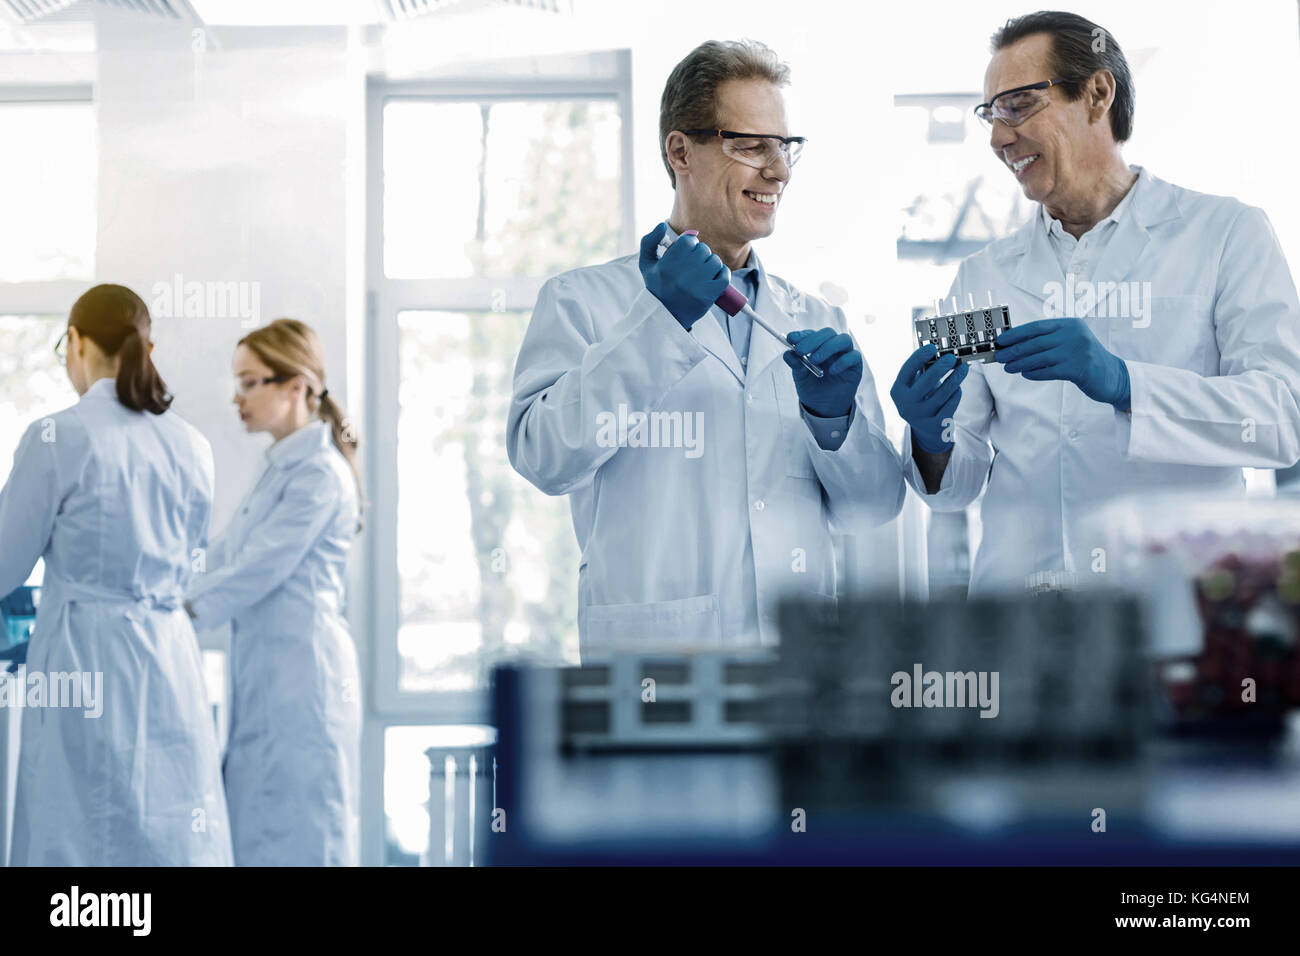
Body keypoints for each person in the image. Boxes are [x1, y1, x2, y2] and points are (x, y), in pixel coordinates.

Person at [508, 40, 905, 657]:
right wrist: (660, 321)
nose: (777, 171)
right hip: (657, 667)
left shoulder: (815, 319)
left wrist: (835, 422)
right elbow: (543, 457)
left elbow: (874, 507)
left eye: (785, 147)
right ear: (680, 150)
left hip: (796, 671)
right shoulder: (585, 301)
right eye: (751, 145)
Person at [891, 11, 1300, 594]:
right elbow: (958, 484)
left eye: (1018, 105)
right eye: (990, 115)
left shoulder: (1226, 234)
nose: (998, 137)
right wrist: (931, 436)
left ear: (1097, 93)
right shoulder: (981, 275)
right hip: (1021, 616)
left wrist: (1124, 382)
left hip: (1173, 605)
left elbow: (1282, 420)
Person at [0, 284, 233, 866]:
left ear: (76, 343)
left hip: (84, 655)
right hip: (169, 652)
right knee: (165, 824)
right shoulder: (192, 444)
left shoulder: (58, 436)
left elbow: (4, 565)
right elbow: (191, 551)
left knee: (78, 831)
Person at [185, 318, 363, 866]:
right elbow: (223, 557)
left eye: (248, 382)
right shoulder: (280, 467)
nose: (237, 398)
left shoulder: (318, 476)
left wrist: (175, 612)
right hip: (265, 678)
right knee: (259, 833)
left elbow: (257, 570)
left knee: (305, 837)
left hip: (303, 683)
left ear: (295, 387)